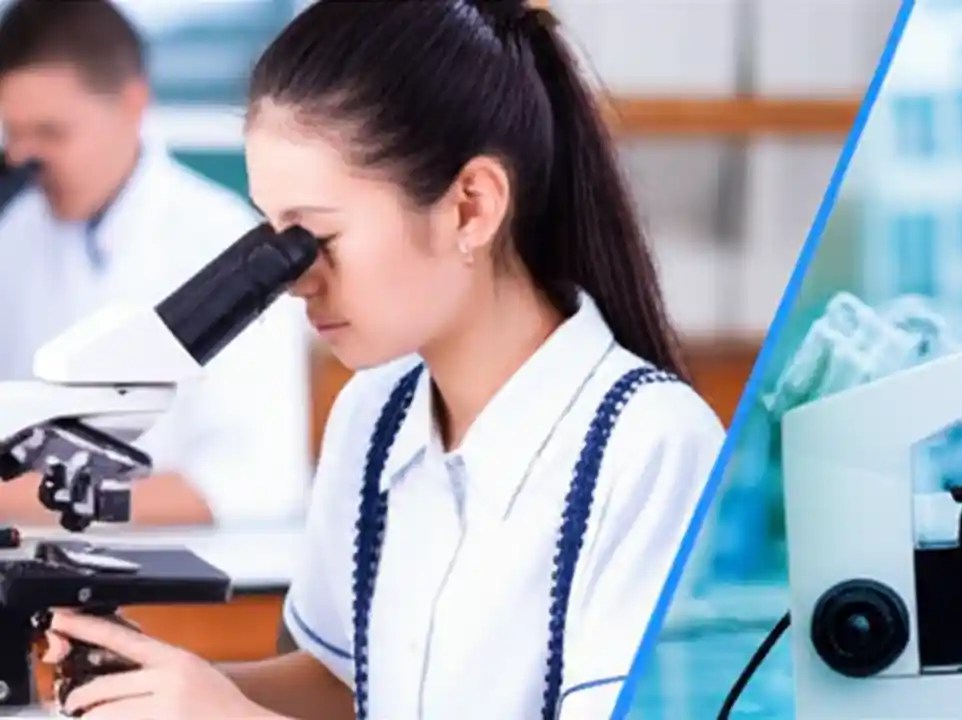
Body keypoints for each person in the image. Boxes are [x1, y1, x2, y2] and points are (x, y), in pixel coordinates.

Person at [41, 1, 725, 718]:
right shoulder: (373, 416)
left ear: (471, 207)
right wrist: (165, 684)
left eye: (314, 238)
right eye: (275, 239)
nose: (294, 280)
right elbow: (344, 688)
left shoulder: (649, 448)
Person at [0, 0, 312, 527]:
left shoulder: (227, 249)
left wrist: (15, 501)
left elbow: (257, 481)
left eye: (52, 134)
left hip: (180, 593)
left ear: (133, 104)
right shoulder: (15, 233)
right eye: (14, 134)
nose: (25, 159)